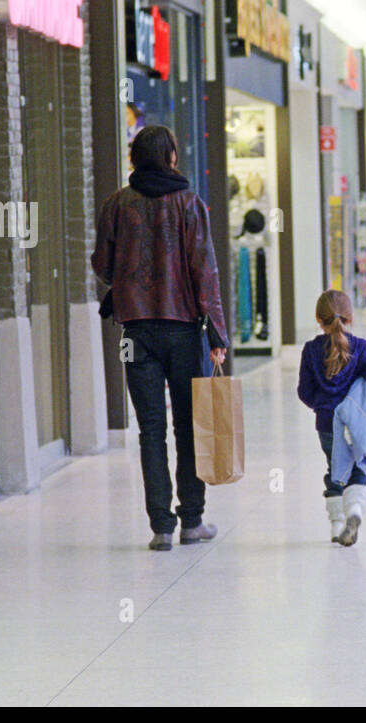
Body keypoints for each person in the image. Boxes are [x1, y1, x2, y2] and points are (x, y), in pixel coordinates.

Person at [91, 125, 229, 552]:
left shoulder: (117, 204)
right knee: (188, 425)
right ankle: (192, 521)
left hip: (135, 332)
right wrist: (218, 331)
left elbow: (101, 263)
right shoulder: (189, 204)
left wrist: (127, 285)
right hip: (184, 330)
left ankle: (161, 528)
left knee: (150, 428)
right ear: (171, 157)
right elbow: (205, 271)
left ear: (134, 158)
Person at [297, 290, 366, 547]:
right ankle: (355, 512)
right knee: (358, 466)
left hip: (327, 424)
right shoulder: (359, 347)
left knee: (334, 469)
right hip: (356, 423)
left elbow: (304, 392)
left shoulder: (311, 349)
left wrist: (322, 406)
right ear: (350, 318)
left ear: (319, 318)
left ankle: (337, 526)